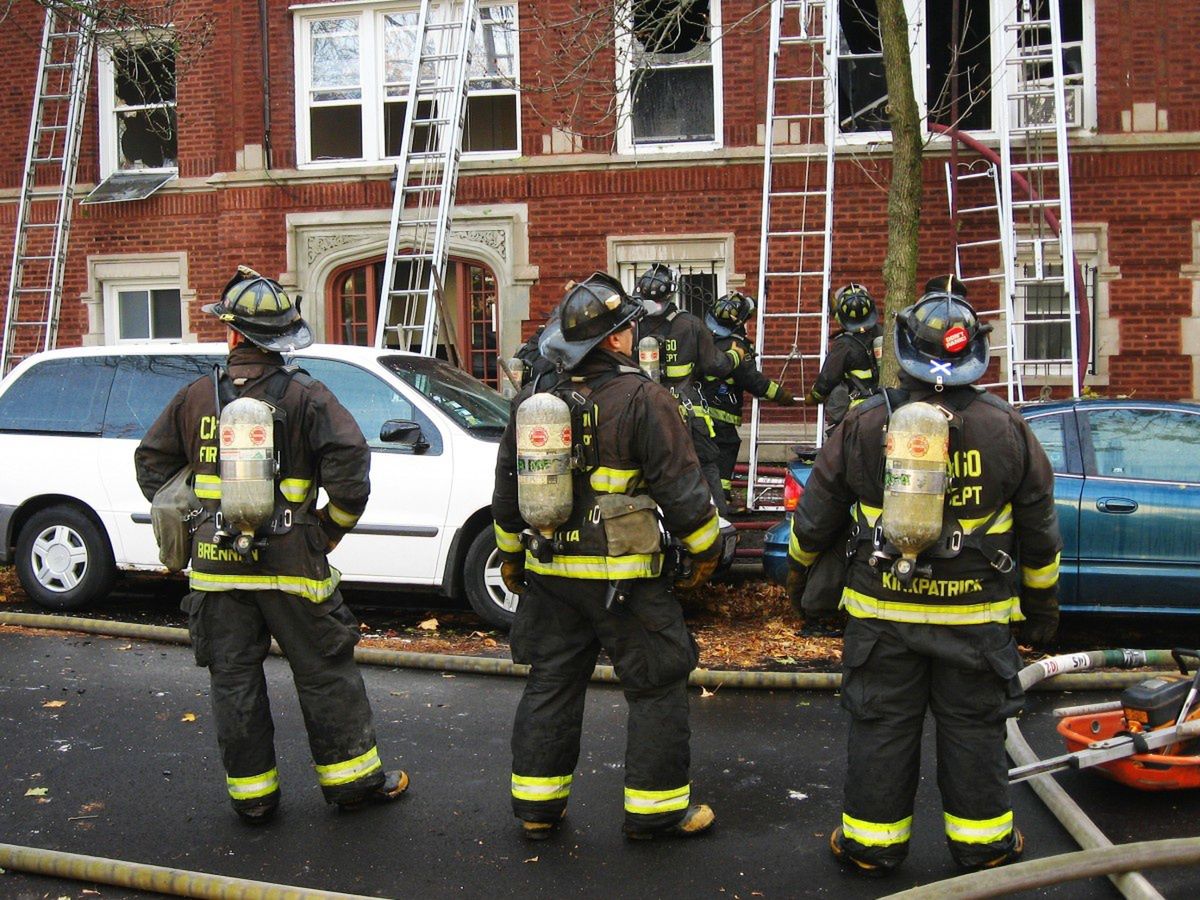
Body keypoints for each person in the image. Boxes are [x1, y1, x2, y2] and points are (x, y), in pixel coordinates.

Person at [787, 290, 1061, 875]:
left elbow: (814, 521)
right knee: (974, 732)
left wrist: (801, 579)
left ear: (904, 351)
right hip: (976, 622)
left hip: (883, 617)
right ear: (976, 354)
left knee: (882, 727)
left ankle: (870, 848)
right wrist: (1041, 610)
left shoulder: (863, 423)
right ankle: (984, 848)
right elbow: (1040, 536)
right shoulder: (1008, 428)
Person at [134, 267, 407, 825]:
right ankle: (353, 786)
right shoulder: (307, 395)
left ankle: (252, 798)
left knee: (234, 682)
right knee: (325, 673)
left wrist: (197, 521)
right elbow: (351, 463)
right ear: (282, 340)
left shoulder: (194, 397)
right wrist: (329, 528)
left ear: (233, 336)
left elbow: (152, 464)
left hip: (215, 570)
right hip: (292, 566)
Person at [493, 272, 722, 842]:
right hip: (626, 581)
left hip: (551, 574)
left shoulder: (533, 405)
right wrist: (706, 552)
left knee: (552, 682)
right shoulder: (645, 398)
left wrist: (512, 557)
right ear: (616, 341)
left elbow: (506, 493)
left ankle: (537, 809)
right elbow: (684, 489)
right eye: (628, 326)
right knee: (656, 684)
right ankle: (656, 812)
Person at [635, 263, 744, 517]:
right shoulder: (690, 325)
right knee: (707, 465)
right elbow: (716, 365)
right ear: (672, 292)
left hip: (645, 413)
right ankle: (720, 526)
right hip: (687, 411)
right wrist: (735, 356)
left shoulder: (632, 327)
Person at [698, 291, 795, 511]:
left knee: (706, 454)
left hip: (699, 409)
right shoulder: (736, 348)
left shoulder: (704, 338)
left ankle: (713, 499)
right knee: (726, 449)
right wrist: (780, 395)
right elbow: (752, 380)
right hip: (719, 411)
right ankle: (722, 501)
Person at [805, 283, 883, 433]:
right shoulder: (882, 332)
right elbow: (851, 318)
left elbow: (828, 378)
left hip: (856, 412)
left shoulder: (844, 345)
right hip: (883, 404)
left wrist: (814, 396)